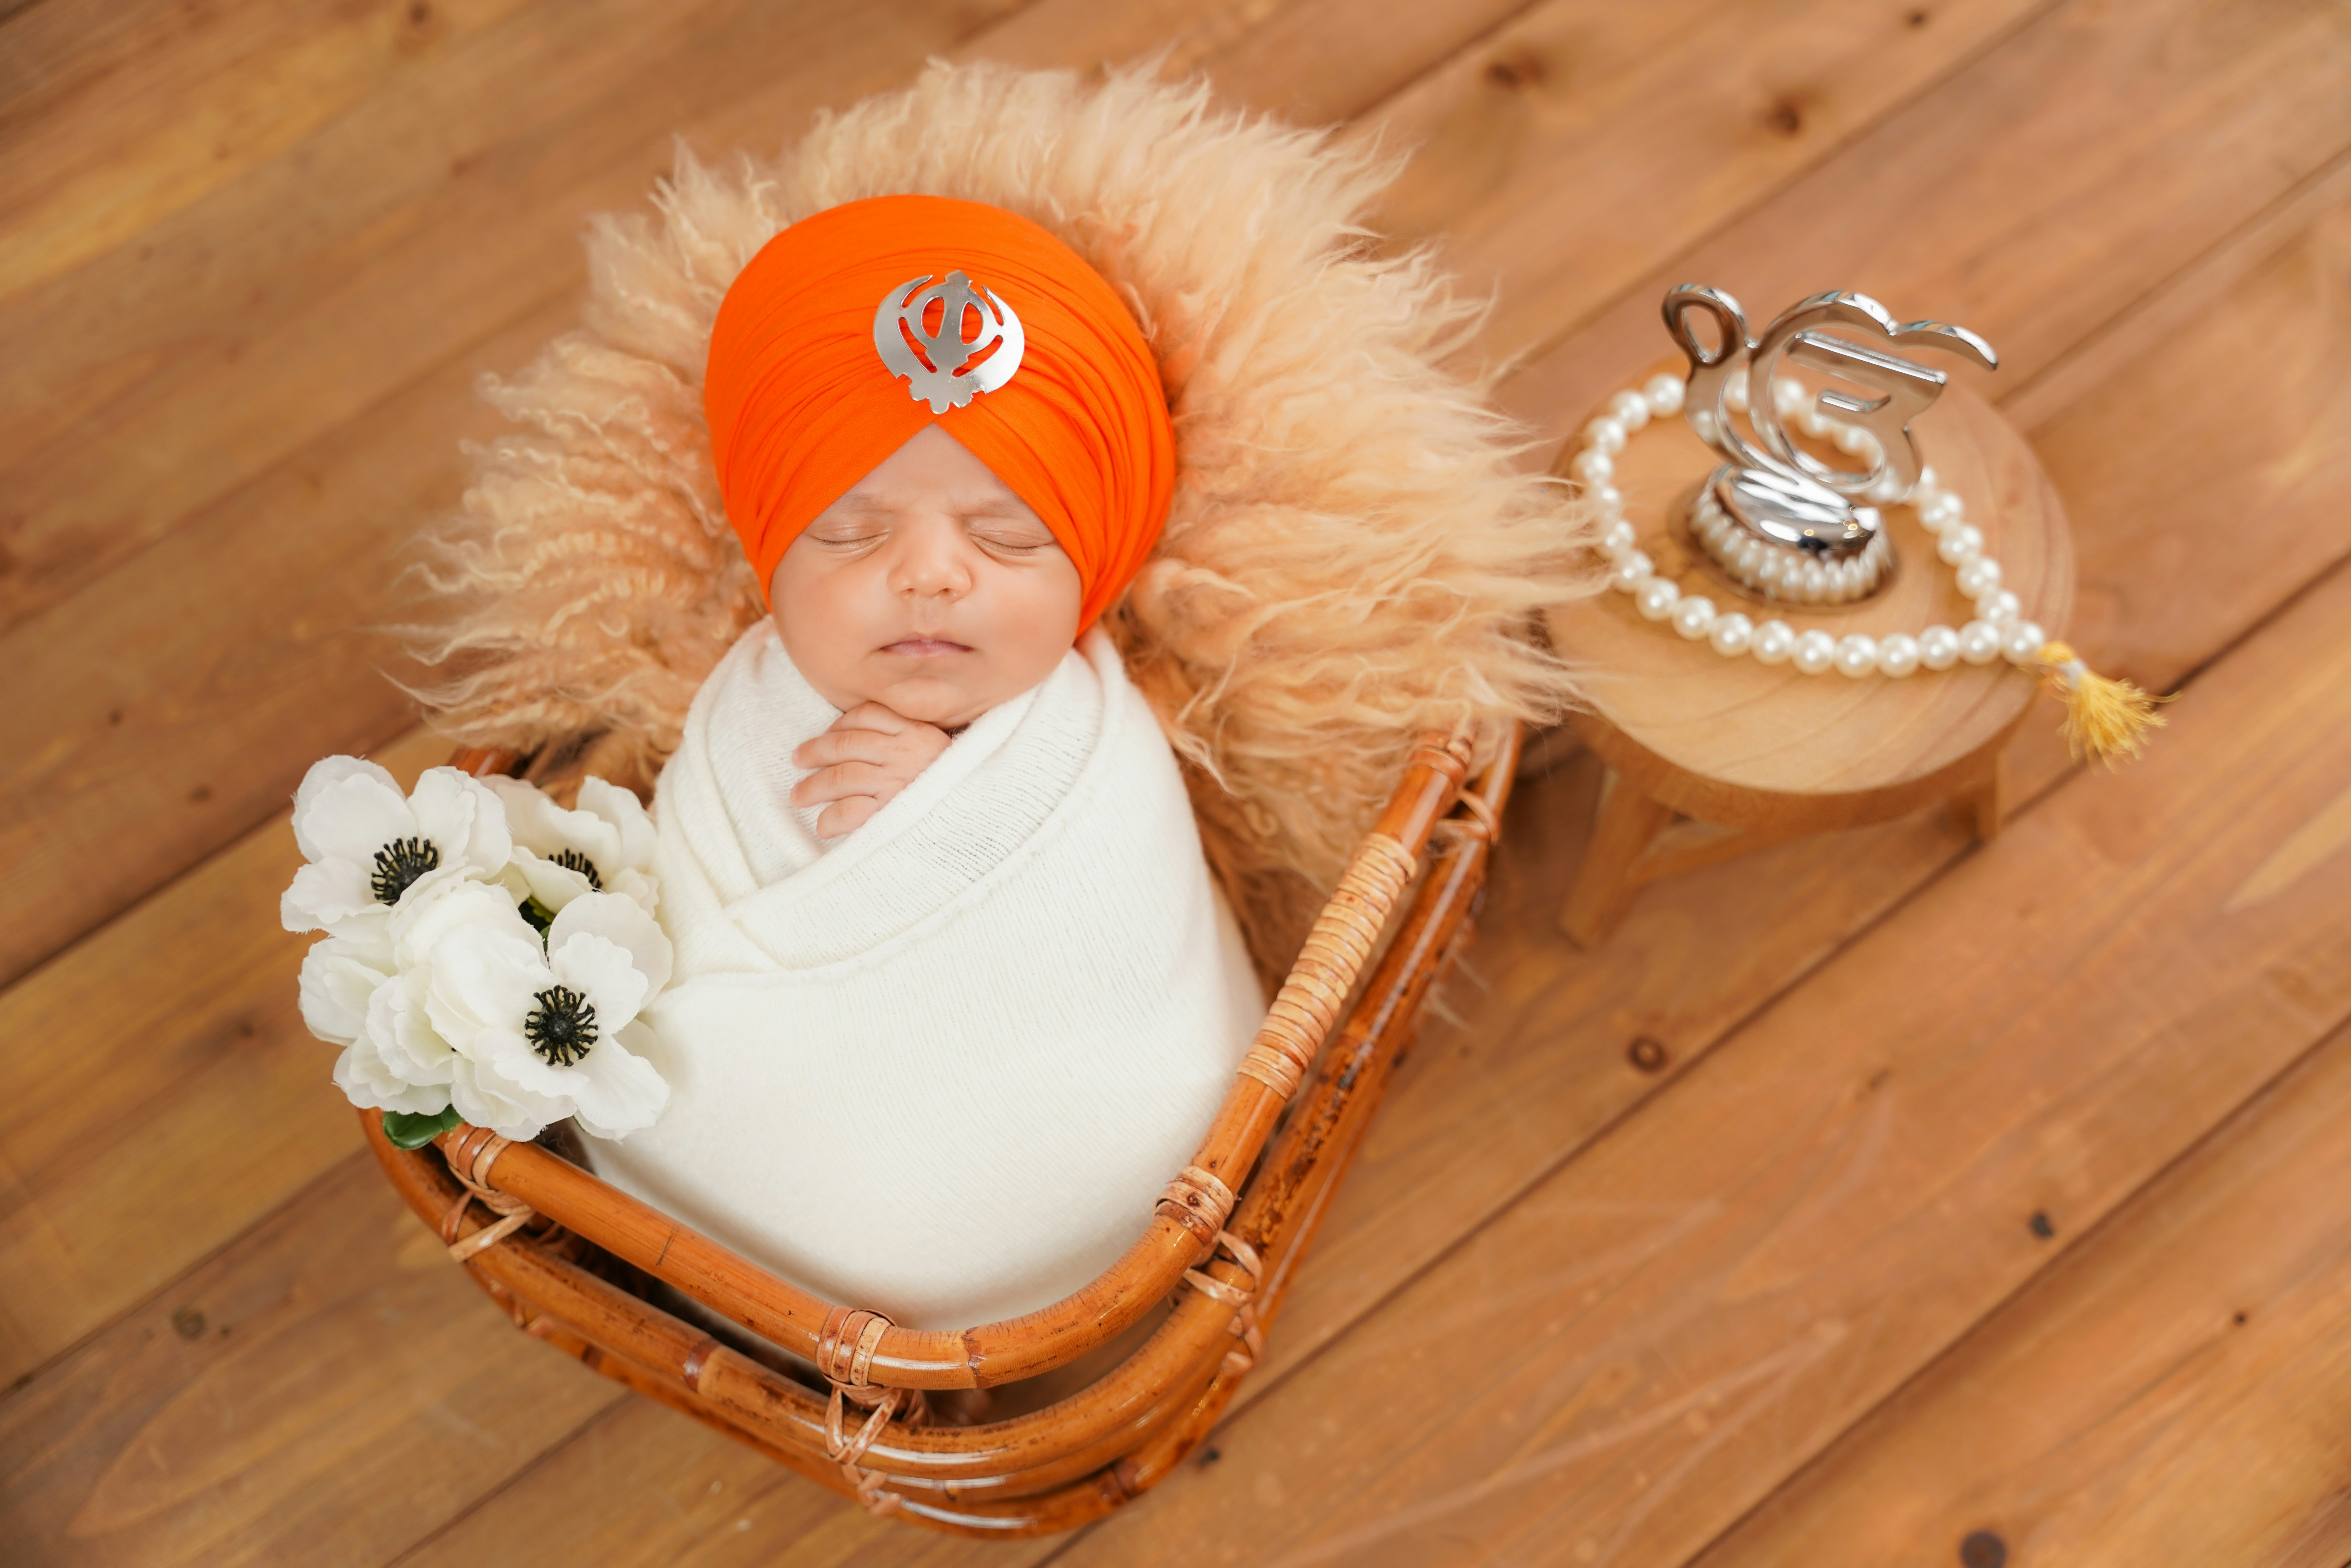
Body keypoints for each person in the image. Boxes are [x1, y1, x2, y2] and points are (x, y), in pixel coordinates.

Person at [581, 195, 1265, 1331]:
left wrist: (956, 828)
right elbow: (677, 921)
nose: (932, 576)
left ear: (1089, 565)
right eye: (853, 531)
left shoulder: (1092, 739)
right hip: (781, 1165)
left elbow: (1122, 947)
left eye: (1005, 537)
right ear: (768, 552)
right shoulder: (741, 714)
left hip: (1069, 1157)